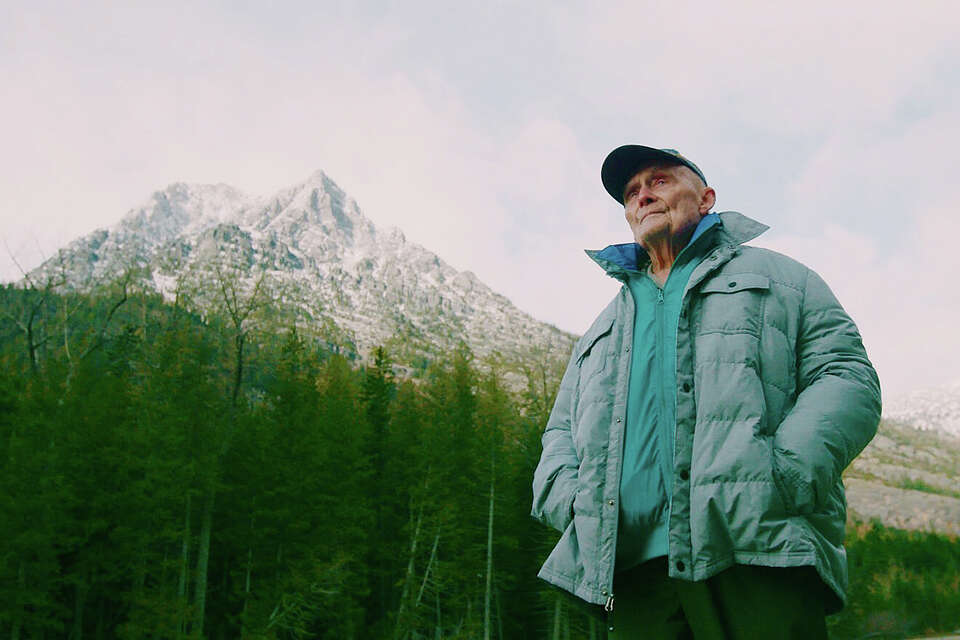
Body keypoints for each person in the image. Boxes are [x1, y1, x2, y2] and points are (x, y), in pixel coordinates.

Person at [530, 145, 881, 639]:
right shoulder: (603, 326)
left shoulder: (784, 279)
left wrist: (782, 478)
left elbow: (846, 375)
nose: (643, 196)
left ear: (707, 198)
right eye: (632, 193)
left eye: (659, 181)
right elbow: (560, 431)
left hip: (758, 550)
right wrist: (574, 504)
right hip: (635, 576)